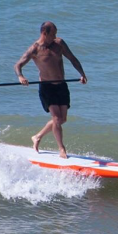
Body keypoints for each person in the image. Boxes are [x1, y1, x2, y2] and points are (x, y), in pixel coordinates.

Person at [15, 21, 87, 157]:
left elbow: (73, 58)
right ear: (44, 33)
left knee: (62, 119)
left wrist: (82, 74)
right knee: (56, 118)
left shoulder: (59, 44)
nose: (55, 36)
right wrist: (21, 77)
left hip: (61, 85)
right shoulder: (35, 49)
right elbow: (18, 65)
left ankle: (37, 136)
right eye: (53, 33)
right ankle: (62, 149)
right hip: (47, 87)